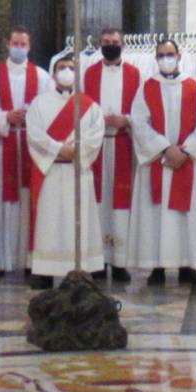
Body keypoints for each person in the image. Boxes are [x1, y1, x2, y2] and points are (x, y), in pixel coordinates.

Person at [131, 38, 196, 286]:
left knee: (186, 216)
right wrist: (166, 148)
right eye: (161, 55)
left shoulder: (195, 87)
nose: (166, 58)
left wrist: (185, 151)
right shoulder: (146, 88)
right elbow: (139, 122)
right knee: (156, 216)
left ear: (179, 56)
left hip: (186, 162)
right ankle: (156, 266)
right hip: (159, 161)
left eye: (170, 54)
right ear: (155, 59)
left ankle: (191, 265)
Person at [26, 52, 104, 286]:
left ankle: (79, 269)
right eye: (62, 67)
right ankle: (44, 270)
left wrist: (76, 149)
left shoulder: (90, 106)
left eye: (71, 67)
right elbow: (35, 134)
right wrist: (59, 148)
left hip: (77, 171)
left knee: (77, 219)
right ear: (53, 72)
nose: (66, 72)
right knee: (49, 222)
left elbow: (95, 135)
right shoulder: (39, 103)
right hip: (50, 171)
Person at [0, 27, 47, 280]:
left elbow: (51, 110)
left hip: (32, 147)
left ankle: (31, 261)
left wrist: (33, 116)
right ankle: (0, 259)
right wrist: (5, 117)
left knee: (30, 202)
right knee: (2, 202)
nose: (19, 47)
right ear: (7, 44)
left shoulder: (42, 77)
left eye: (23, 44)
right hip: (2, 144)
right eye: (15, 43)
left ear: (29, 47)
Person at [83, 27, 143, 284]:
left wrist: (125, 119)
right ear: (99, 44)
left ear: (123, 44)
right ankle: (97, 261)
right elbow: (82, 107)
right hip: (96, 146)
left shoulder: (134, 73)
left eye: (115, 42)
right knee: (97, 202)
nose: (110, 45)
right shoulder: (89, 73)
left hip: (122, 143)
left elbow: (141, 110)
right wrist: (98, 122)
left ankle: (119, 262)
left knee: (119, 202)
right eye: (106, 42)